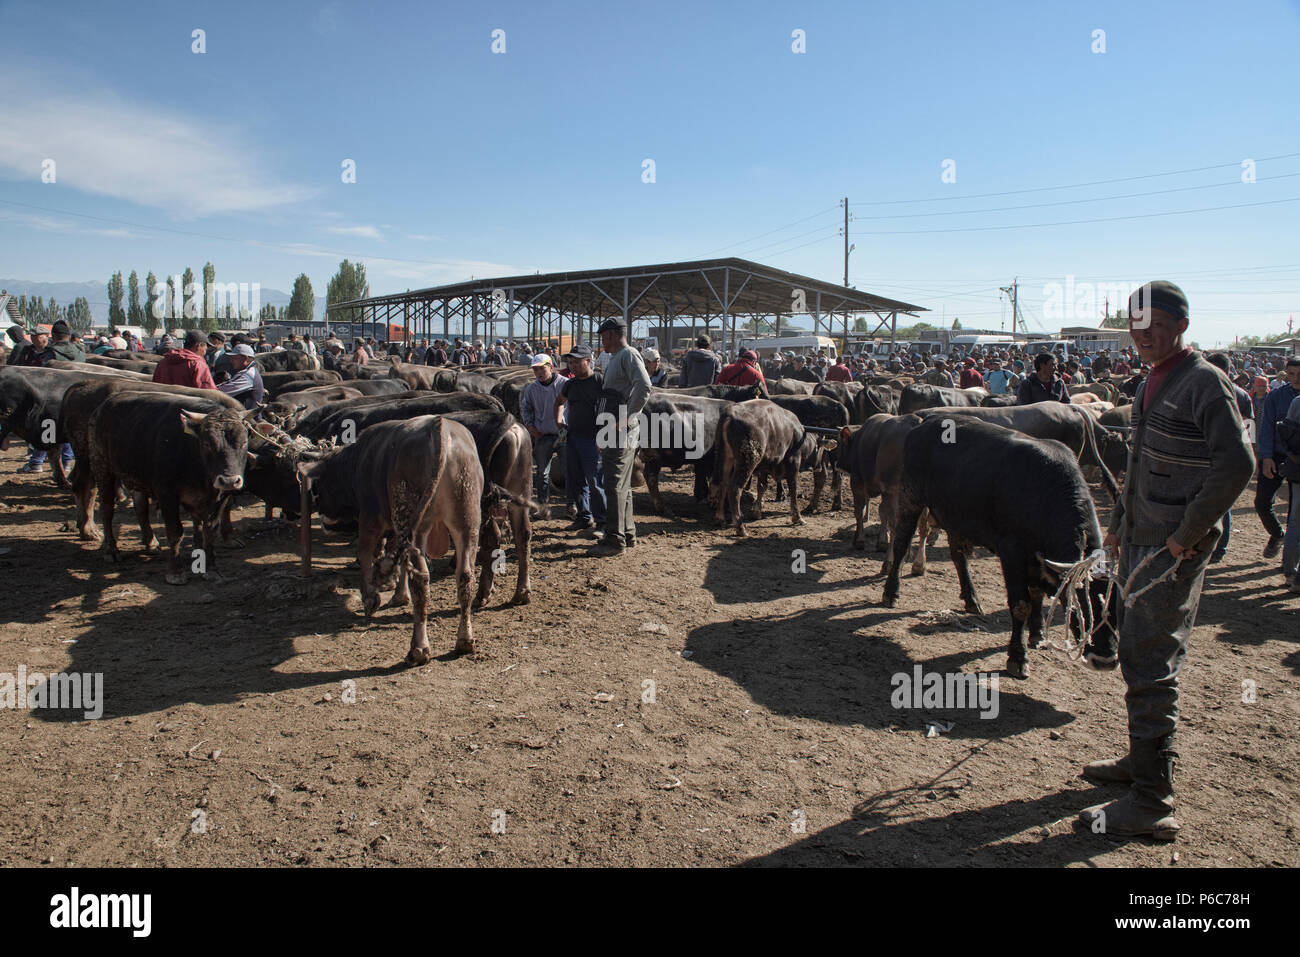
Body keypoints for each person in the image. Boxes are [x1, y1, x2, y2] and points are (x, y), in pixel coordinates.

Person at [1079, 281, 1253, 842]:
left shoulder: (1205, 383)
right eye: (1135, 325)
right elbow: (1140, 466)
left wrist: (1184, 536)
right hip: (1142, 540)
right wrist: (1122, 529)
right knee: (1135, 651)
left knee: (1151, 662)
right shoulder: (1152, 381)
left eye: (1153, 324)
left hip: (1170, 549)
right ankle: (1140, 765)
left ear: (1180, 323)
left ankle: (1153, 800)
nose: (1142, 335)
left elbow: (1236, 466)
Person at [591, 319, 650, 555]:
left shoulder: (628, 355)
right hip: (614, 427)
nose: (602, 341)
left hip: (619, 428)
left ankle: (615, 541)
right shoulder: (618, 357)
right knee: (621, 483)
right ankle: (627, 533)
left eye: (604, 336)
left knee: (613, 483)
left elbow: (644, 386)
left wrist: (627, 418)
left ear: (614, 335)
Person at [1205, 352, 1254, 563]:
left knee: (1220, 503)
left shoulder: (1237, 395)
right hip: (1221, 454)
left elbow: (1249, 427)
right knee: (1220, 503)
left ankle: (1217, 547)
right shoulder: (1242, 394)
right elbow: (1249, 430)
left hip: (1215, 455)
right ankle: (1217, 548)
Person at [555, 345, 606, 533]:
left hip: (593, 440)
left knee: (595, 483)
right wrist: (559, 422)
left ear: (588, 361)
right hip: (573, 439)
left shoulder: (600, 381)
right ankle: (584, 517)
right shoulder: (570, 384)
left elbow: (611, 408)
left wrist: (603, 436)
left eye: (577, 362)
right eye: (571, 362)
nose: (573, 365)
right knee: (576, 480)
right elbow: (559, 401)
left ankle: (602, 522)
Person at [1255, 356, 1300, 559]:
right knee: (1262, 503)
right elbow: (1266, 428)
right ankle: (1277, 534)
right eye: (1291, 374)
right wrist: (1265, 457)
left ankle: (1289, 560)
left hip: (1297, 460)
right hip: (1275, 455)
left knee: (1295, 512)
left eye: (1299, 374)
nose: (1296, 378)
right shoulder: (1276, 397)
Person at [520, 354, 566, 512]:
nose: (539, 372)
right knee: (542, 473)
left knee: (570, 470)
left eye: (542, 368)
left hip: (563, 435)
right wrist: (530, 426)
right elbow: (526, 408)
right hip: (543, 434)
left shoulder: (565, 384)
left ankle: (573, 505)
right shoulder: (532, 388)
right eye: (535, 370)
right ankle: (542, 505)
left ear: (551, 367)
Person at [1279, 393, 1300, 591]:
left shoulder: (1297, 402)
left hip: (1297, 468)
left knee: (1295, 520)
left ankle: (1290, 572)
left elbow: (1286, 433)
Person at [216, 344, 265, 409]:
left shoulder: (248, 375)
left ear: (245, 358)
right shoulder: (248, 371)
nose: (231, 361)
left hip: (248, 417)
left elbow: (222, 391)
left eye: (234, 358)